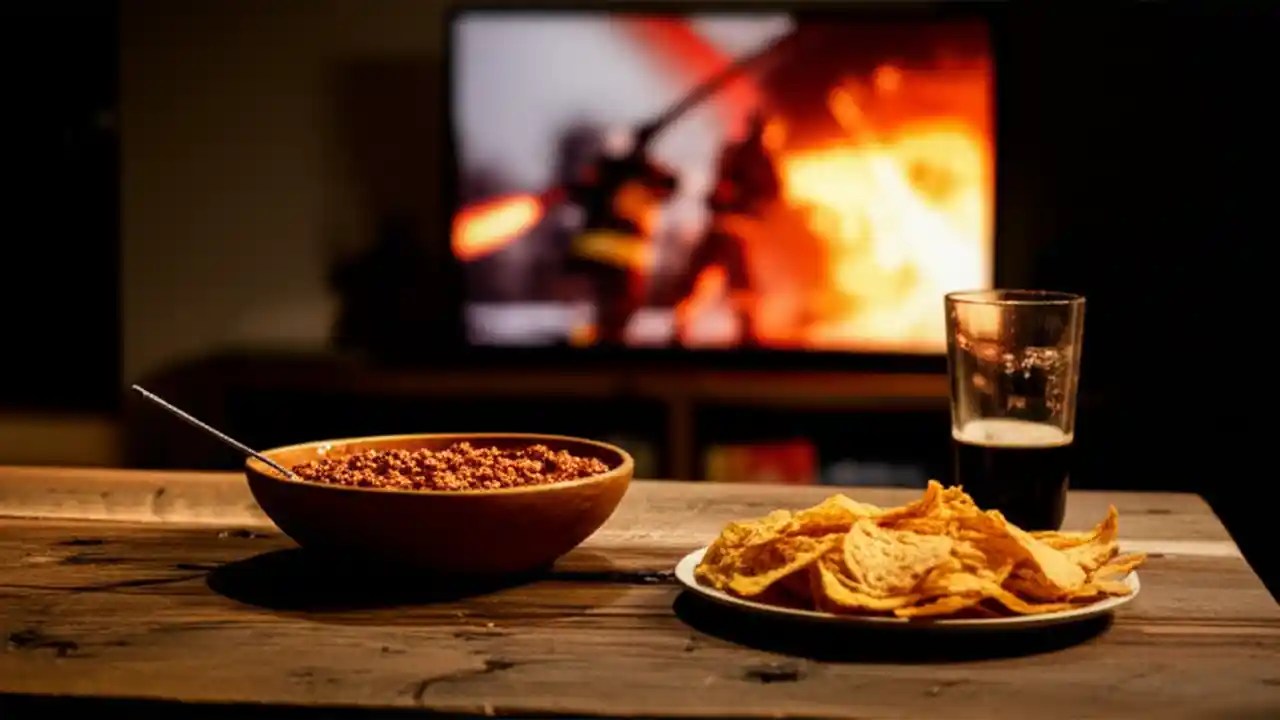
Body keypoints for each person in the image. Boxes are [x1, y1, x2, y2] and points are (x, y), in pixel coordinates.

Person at [673, 112, 782, 346]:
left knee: (709, 277)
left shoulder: (745, 155)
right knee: (735, 281)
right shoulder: (758, 158)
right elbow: (772, 195)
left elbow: (770, 195)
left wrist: (736, 198)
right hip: (733, 228)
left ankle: (685, 327)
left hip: (730, 226)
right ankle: (745, 332)